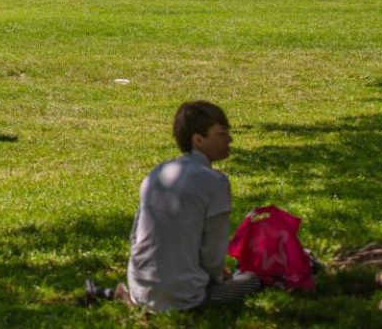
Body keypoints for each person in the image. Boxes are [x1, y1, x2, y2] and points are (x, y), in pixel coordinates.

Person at [85, 101, 261, 311]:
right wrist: (217, 276)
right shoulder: (215, 182)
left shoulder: (158, 173)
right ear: (198, 139)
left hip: (140, 288)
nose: (230, 139)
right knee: (254, 280)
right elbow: (213, 253)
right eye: (221, 134)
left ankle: (127, 297)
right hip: (185, 296)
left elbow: (136, 236)